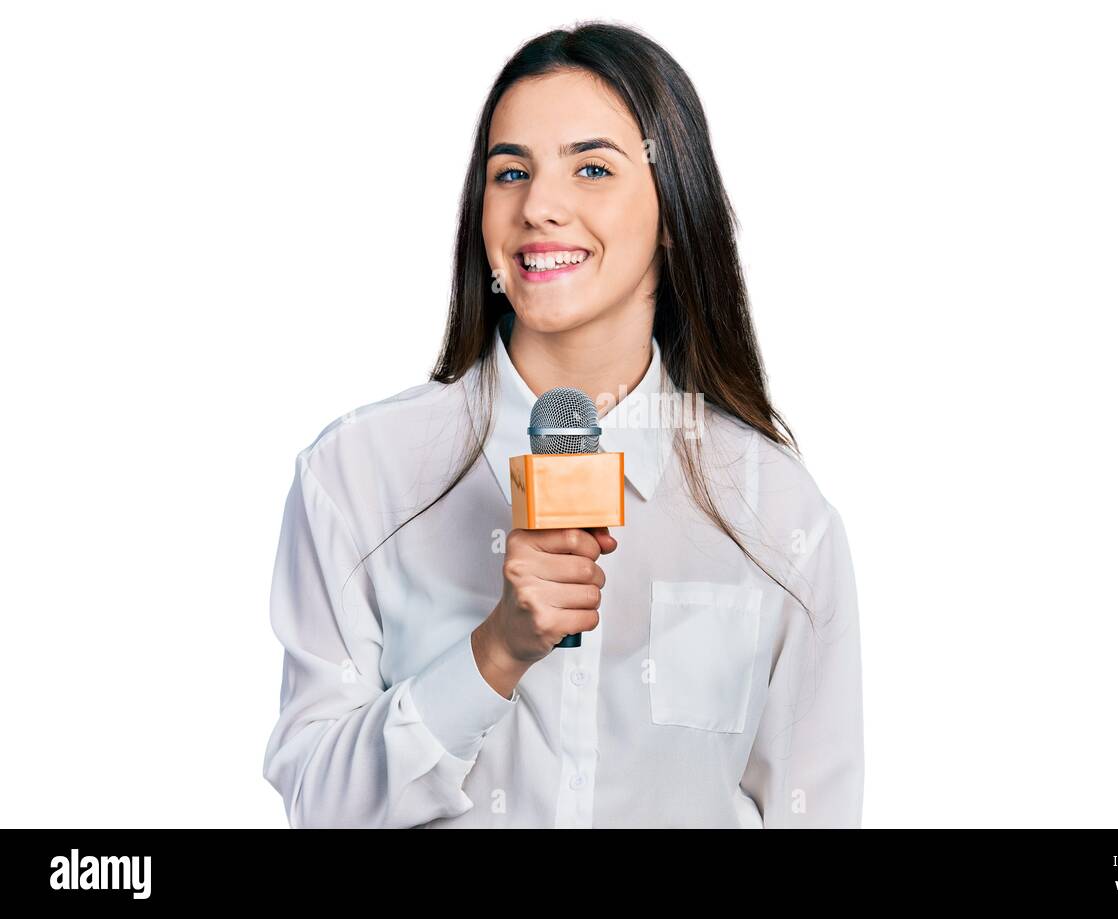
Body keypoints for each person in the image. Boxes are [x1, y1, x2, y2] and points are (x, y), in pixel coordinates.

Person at [262, 22, 863, 828]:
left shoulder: (777, 515)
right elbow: (318, 807)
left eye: (591, 167)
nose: (540, 206)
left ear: (675, 210)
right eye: (510, 172)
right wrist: (494, 652)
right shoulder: (358, 478)